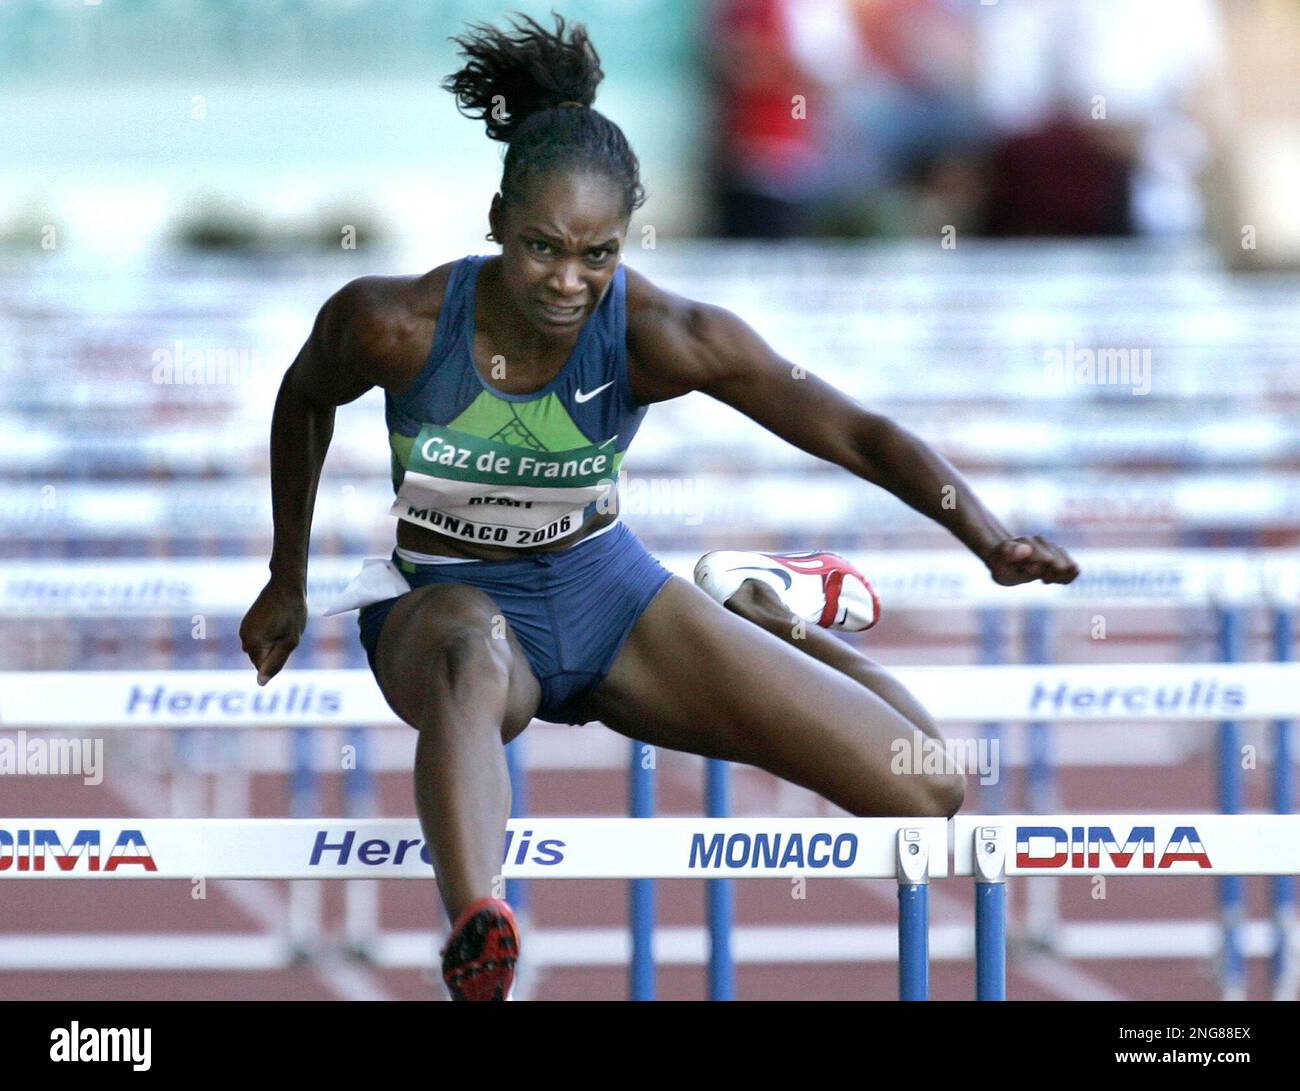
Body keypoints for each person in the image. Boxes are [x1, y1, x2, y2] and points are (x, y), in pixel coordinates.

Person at [238, 13, 1079, 1002]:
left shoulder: (661, 333)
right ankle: (480, 923)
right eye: (543, 247)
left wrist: (986, 537)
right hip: (447, 603)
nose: (567, 280)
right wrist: (284, 578)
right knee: (473, 649)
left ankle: (763, 612)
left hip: (606, 595)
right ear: (498, 220)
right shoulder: (394, 322)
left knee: (923, 784)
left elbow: (850, 428)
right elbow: (302, 398)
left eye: (596, 255)